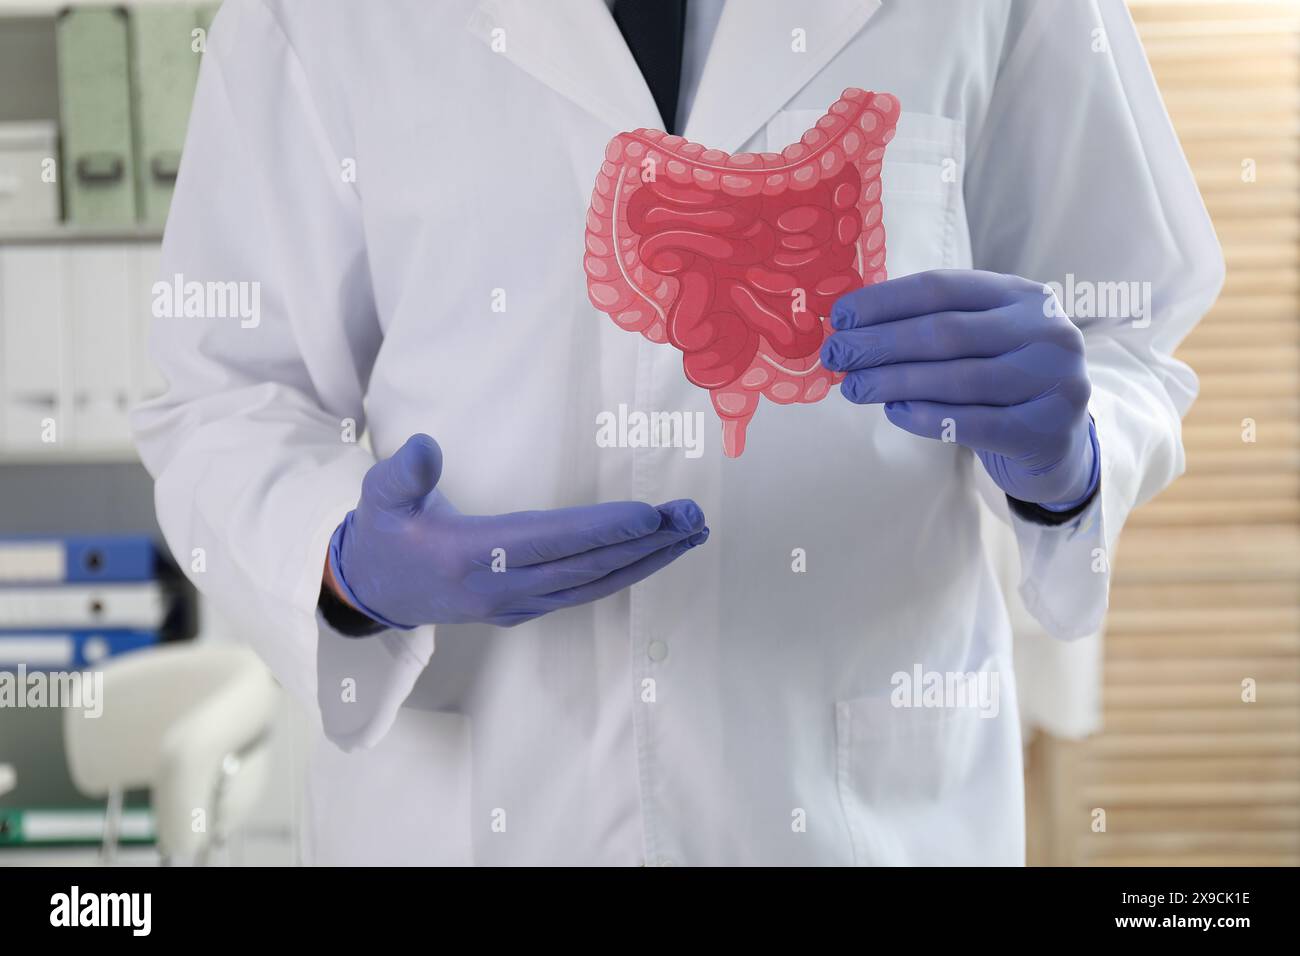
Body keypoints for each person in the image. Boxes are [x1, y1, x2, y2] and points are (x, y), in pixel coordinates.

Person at [133, 0, 1224, 865]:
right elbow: (224, 394)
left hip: (854, 815)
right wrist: (340, 564)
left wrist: (1066, 457)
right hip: (471, 802)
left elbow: (1125, 328)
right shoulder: (316, 17)